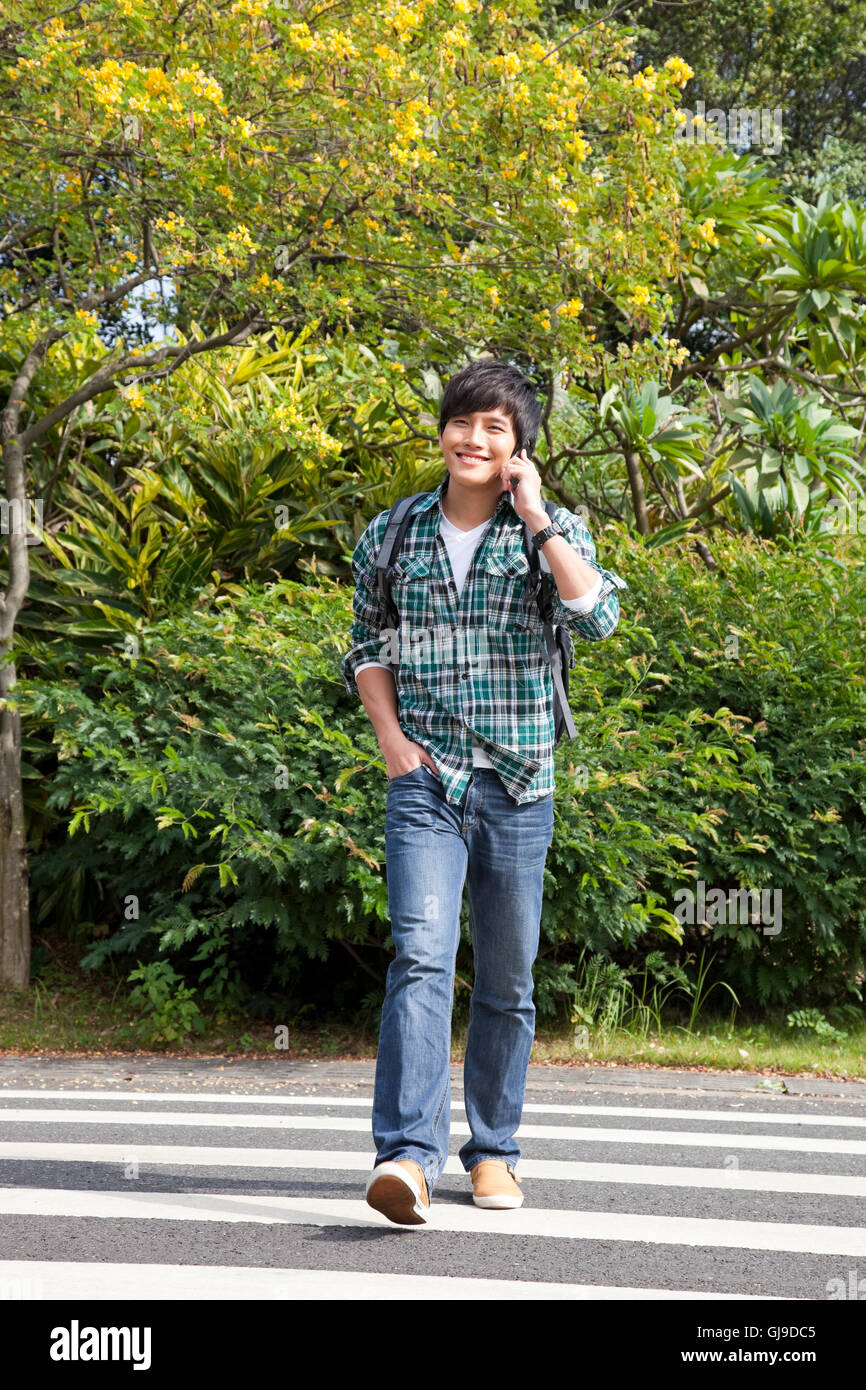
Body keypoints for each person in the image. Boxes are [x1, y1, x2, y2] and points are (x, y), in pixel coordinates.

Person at [339, 358, 627, 1225]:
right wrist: (392, 740)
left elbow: (598, 613)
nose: (475, 438)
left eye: (496, 427)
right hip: (426, 781)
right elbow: (364, 646)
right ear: (442, 433)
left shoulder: (546, 530)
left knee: (507, 978)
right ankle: (406, 1158)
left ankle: (495, 1152)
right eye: (464, 422)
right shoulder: (393, 533)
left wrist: (536, 514)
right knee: (421, 955)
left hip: (519, 783)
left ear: (519, 448)